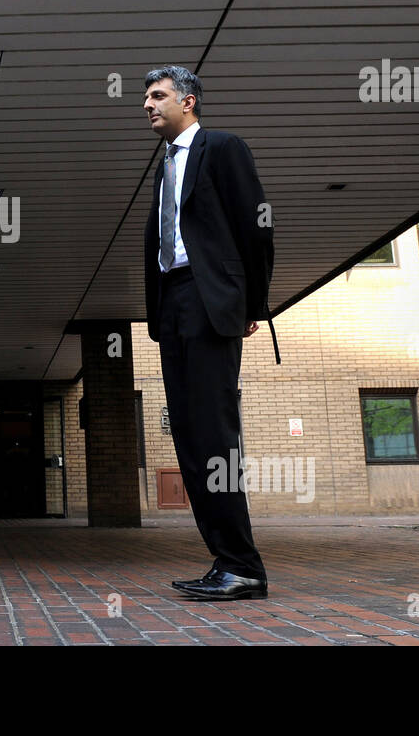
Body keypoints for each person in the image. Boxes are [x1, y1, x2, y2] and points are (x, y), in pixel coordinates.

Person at [143, 66, 274, 601]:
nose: (147, 106)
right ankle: (226, 560)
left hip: (210, 299)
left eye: (157, 96)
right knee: (191, 436)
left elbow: (256, 224)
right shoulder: (164, 165)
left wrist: (253, 304)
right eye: (146, 98)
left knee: (214, 433)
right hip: (173, 302)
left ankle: (244, 565)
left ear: (188, 101)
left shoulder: (222, 146)